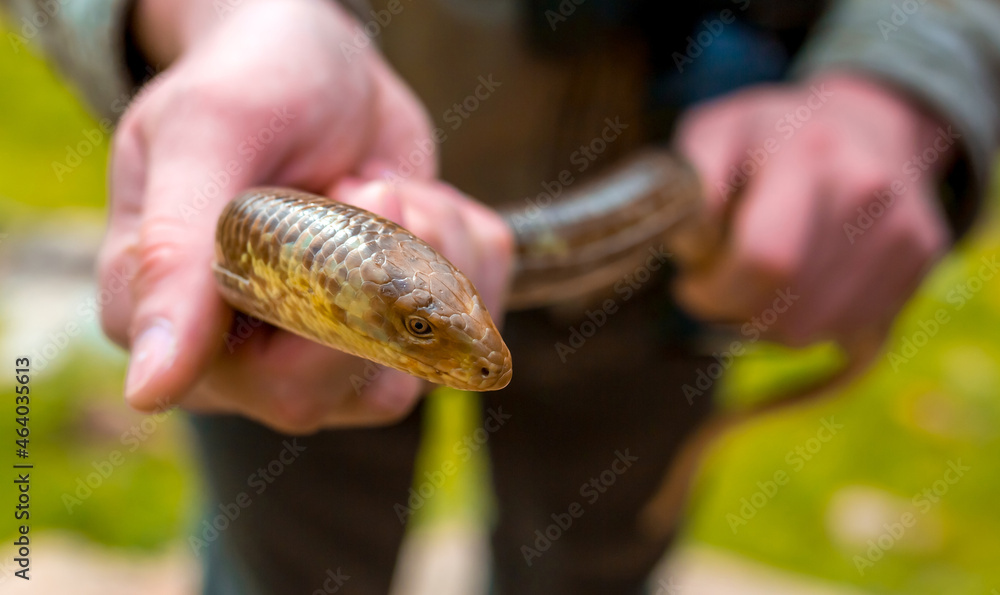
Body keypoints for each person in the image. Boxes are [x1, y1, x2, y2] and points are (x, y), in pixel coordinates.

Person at [5, 0, 999, 592]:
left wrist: (905, 78)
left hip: (677, 244)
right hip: (315, 211)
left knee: (586, 566)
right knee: (286, 561)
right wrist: (220, 16)